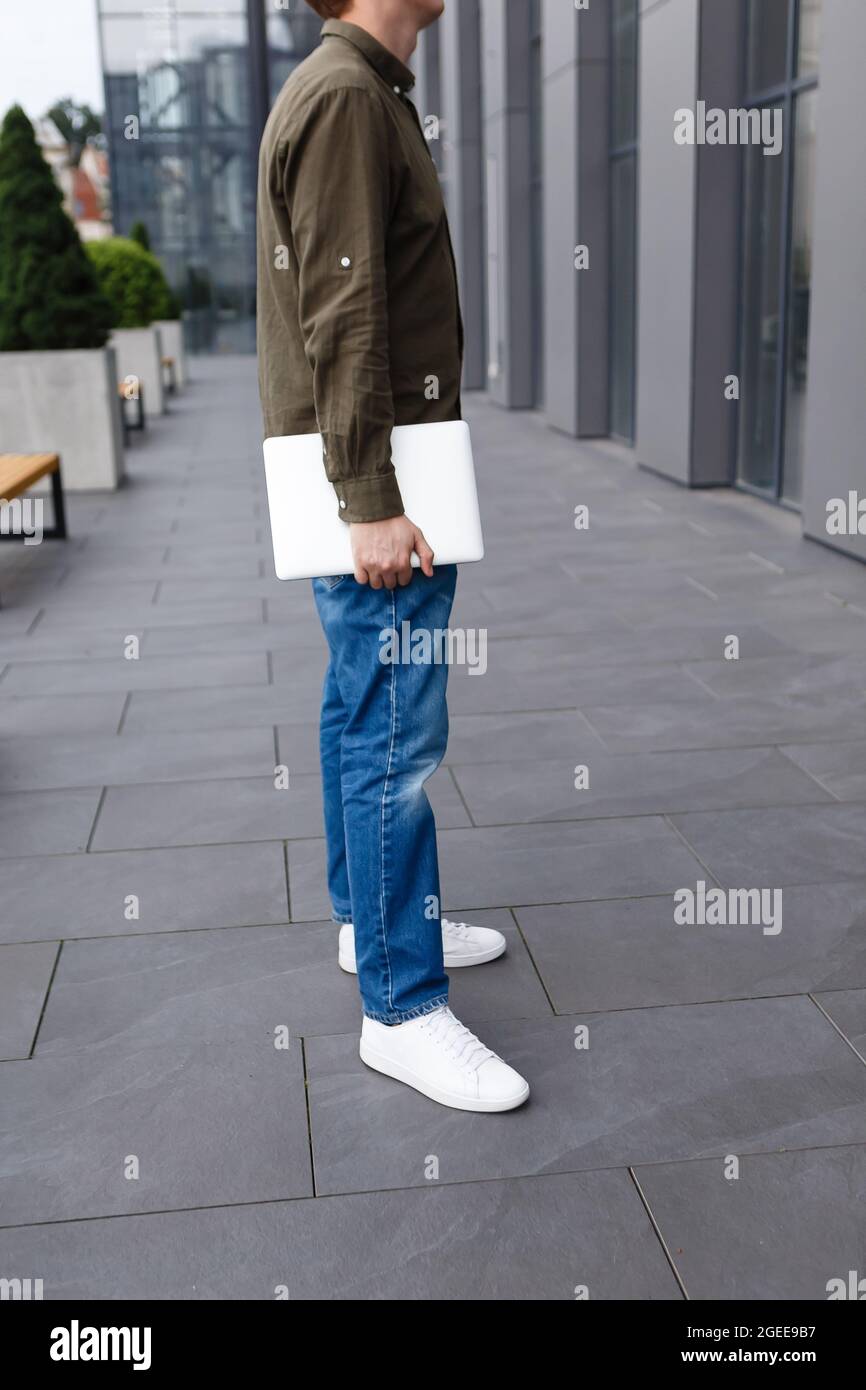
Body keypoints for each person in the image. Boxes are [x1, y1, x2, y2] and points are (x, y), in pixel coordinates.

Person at [256, 0, 529, 1112]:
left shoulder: (359, 90)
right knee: (392, 735)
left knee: (360, 707)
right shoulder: (346, 98)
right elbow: (344, 306)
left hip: (378, 473)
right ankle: (400, 1008)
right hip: (379, 489)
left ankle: (369, 924)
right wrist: (369, 498)